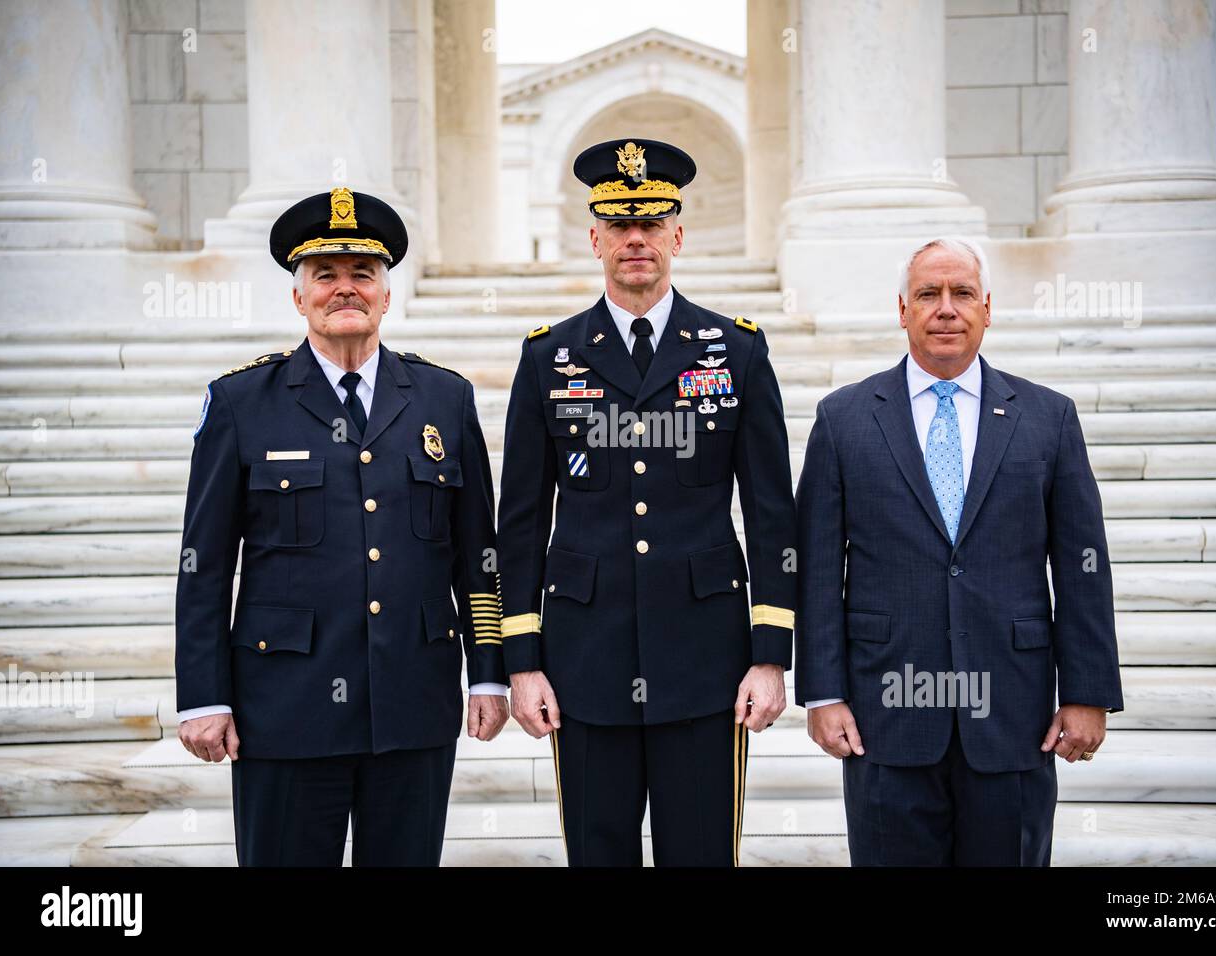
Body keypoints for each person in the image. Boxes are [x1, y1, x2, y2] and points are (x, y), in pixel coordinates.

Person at [174, 187, 508, 866]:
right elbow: (204, 565)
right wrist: (202, 696)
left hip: (412, 702)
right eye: (324, 275)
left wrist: (490, 674)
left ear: (387, 295)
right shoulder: (243, 403)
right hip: (285, 707)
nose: (344, 289)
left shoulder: (445, 398)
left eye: (363, 274)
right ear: (299, 298)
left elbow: (478, 556)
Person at [497, 140, 797, 866]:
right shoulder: (549, 357)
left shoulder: (737, 351)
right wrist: (522, 660)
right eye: (620, 225)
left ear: (678, 237)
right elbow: (521, 521)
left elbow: (771, 515)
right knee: (598, 854)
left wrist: (771, 656)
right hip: (582, 662)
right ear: (595, 238)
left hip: (706, 662)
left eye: (653, 223)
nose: (637, 239)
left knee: (701, 854)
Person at [795, 236, 1123, 866]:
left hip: (1013, 715)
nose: (946, 308)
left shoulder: (1048, 418)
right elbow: (815, 569)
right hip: (885, 717)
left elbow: (1084, 566)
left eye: (962, 293)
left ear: (987, 308)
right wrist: (823, 691)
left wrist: (1088, 691)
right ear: (902, 310)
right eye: (928, 294)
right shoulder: (844, 419)